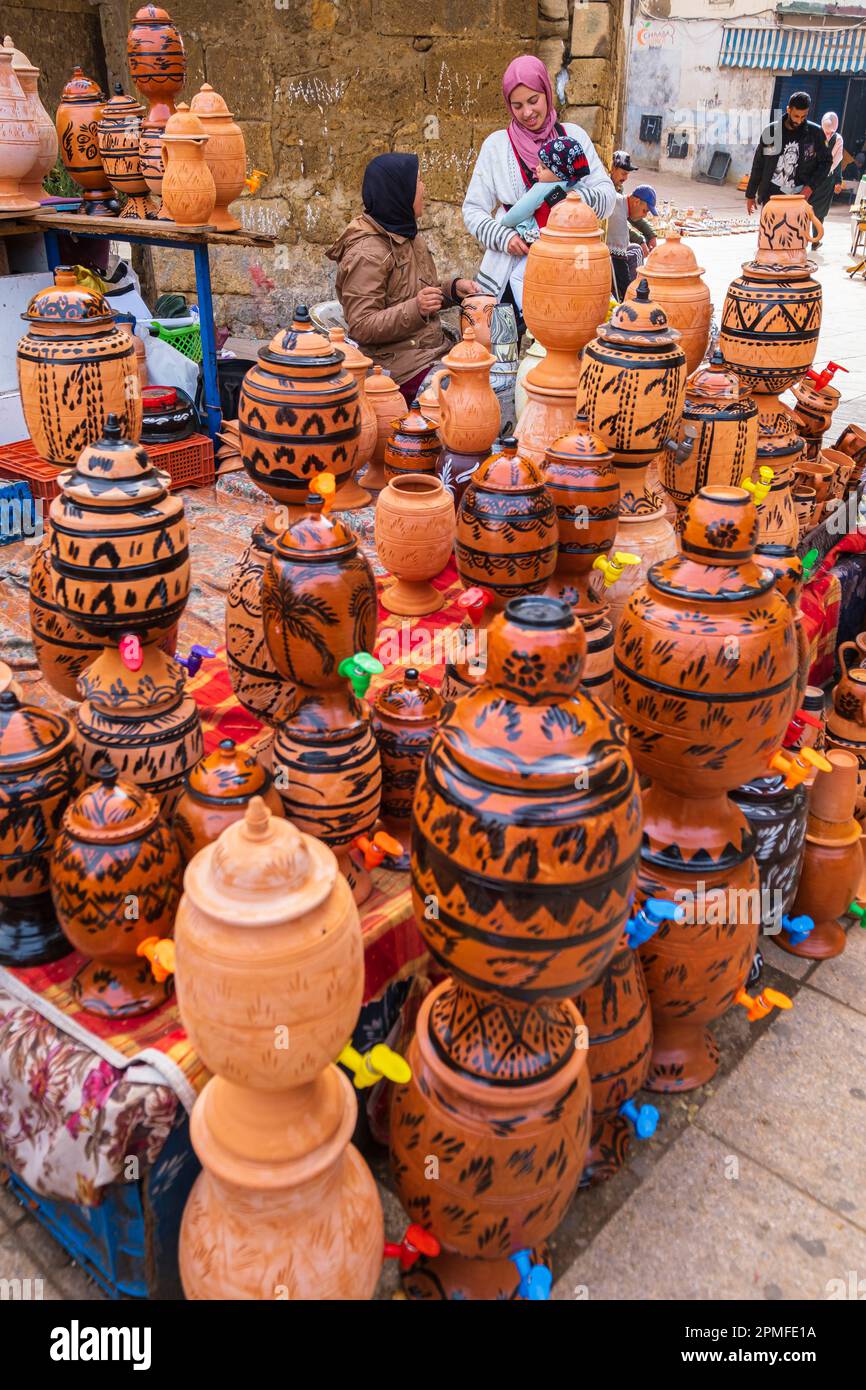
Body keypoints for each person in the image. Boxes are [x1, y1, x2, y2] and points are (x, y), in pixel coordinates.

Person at [462, 54, 616, 322]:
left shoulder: (574, 137)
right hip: (509, 271)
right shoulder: (496, 146)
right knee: (504, 352)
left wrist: (573, 200)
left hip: (569, 266)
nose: (527, 113)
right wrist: (504, 238)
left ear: (546, 92)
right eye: (517, 105)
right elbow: (473, 210)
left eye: (533, 101)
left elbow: (607, 196)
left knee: (565, 341)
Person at [327, 152, 480, 404]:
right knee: (466, 397)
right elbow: (361, 325)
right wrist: (416, 308)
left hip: (429, 351)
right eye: (418, 181)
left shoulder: (407, 235)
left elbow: (418, 293)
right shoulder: (367, 253)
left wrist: (452, 291)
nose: (423, 187)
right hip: (396, 367)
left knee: (490, 375)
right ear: (399, 192)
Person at [497, 134, 590, 309]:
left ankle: (529, 313)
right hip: (572, 251)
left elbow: (516, 214)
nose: (537, 169)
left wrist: (503, 222)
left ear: (560, 172)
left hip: (547, 246)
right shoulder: (578, 188)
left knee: (517, 278)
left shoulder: (542, 189)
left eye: (544, 167)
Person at [745, 92, 831, 214]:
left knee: (792, 233)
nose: (799, 121)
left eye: (803, 117)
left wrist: (810, 187)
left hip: (799, 196)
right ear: (788, 110)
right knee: (770, 232)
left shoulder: (815, 133)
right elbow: (759, 164)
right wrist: (750, 195)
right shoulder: (772, 132)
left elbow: (826, 162)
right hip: (771, 194)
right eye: (796, 116)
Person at [607, 184, 656, 299]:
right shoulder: (618, 215)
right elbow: (619, 265)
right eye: (645, 211)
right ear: (636, 202)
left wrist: (650, 236)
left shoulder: (621, 201)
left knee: (635, 249)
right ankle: (637, 293)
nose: (644, 215)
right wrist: (630, 299)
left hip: (605, 252)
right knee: (635, 252)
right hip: (600, 258)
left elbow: (637, 221)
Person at [610, 150, 656, 252]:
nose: (625, 178)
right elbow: (619, 223)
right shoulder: (607, 191)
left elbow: (632, 212)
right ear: (613, 169)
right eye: (623, 173)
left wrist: (650, 234)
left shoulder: (618, 188)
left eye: (627, 174)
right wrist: (640, 240)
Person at [810, 111, 845, 241]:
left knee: (820, 212)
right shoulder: (816, 134)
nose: (827, 134)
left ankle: (815, 239)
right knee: (806, 209)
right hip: (812, 179)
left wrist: (838, 181)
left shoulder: (838, 139)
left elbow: (837, 161)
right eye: (825, 131)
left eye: (830, 132)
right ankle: (802, 238)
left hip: (826, 181)